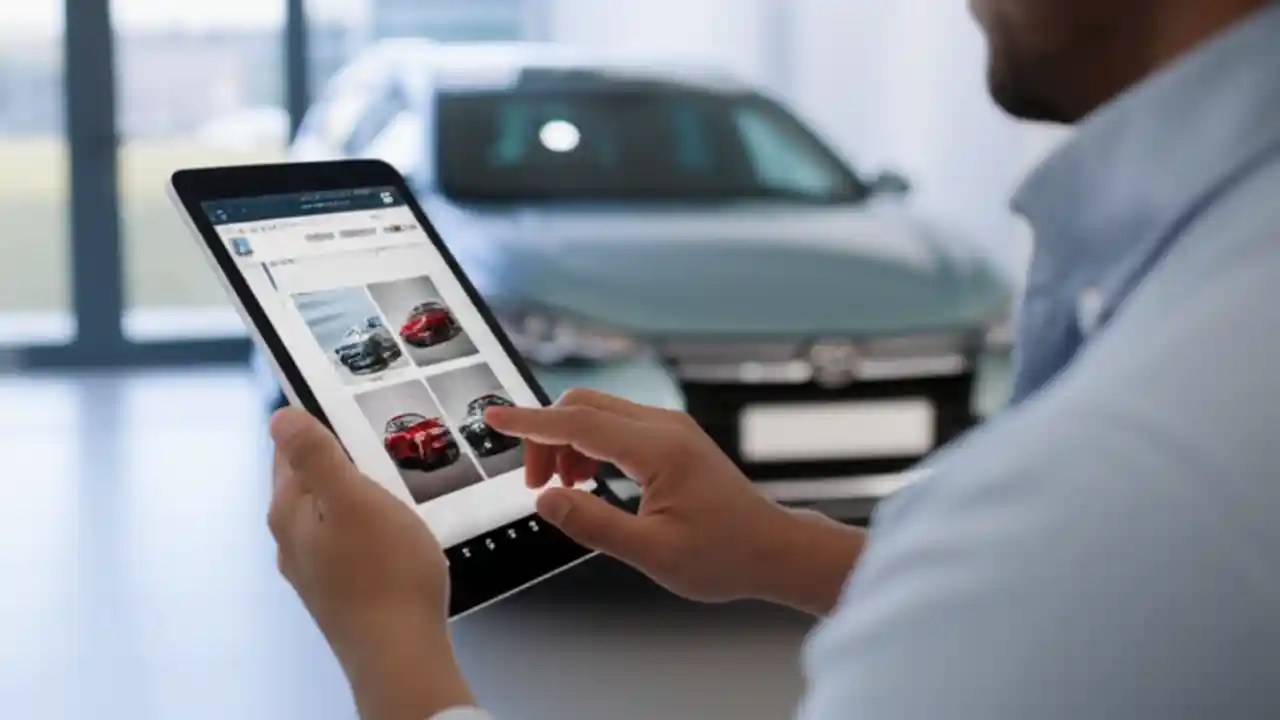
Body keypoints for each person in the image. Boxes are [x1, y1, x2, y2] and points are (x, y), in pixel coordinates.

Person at [266, 0, 1280, 717]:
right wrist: (776, 548)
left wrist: (390, 653)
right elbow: (1083, 600)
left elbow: (1078, 570)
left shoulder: (1129, 473)